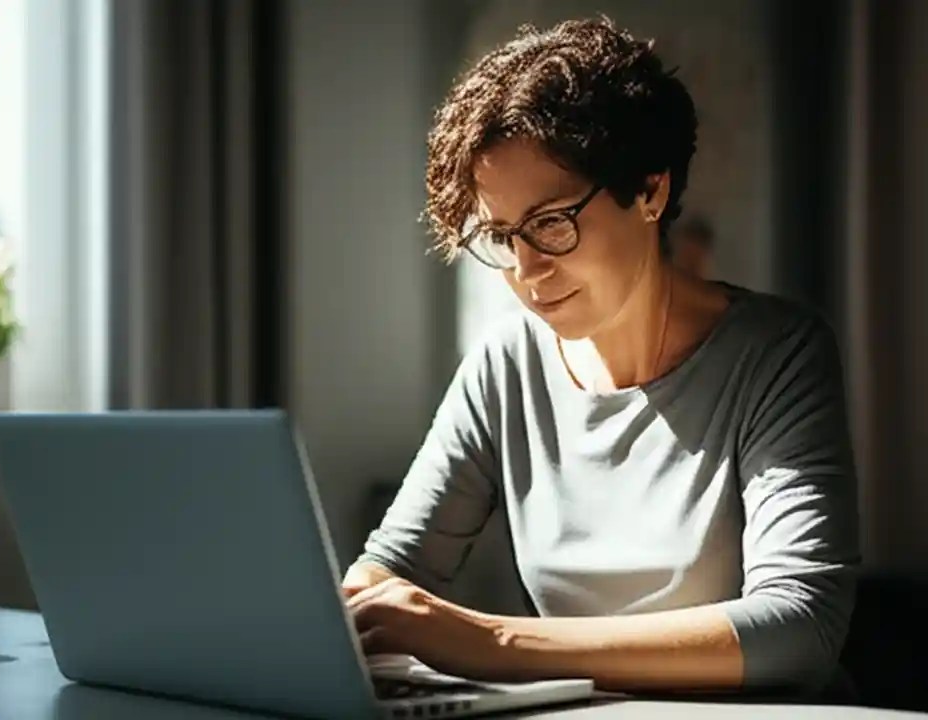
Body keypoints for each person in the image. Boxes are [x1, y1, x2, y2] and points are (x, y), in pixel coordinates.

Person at [342, 18, 859, 696]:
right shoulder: (505, 368)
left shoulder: (778, 355)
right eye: (502, 236)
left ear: (650, 191)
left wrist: (491, 643)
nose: (527, 270)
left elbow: (799, 629)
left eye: (551, 223)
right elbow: (389, 572)